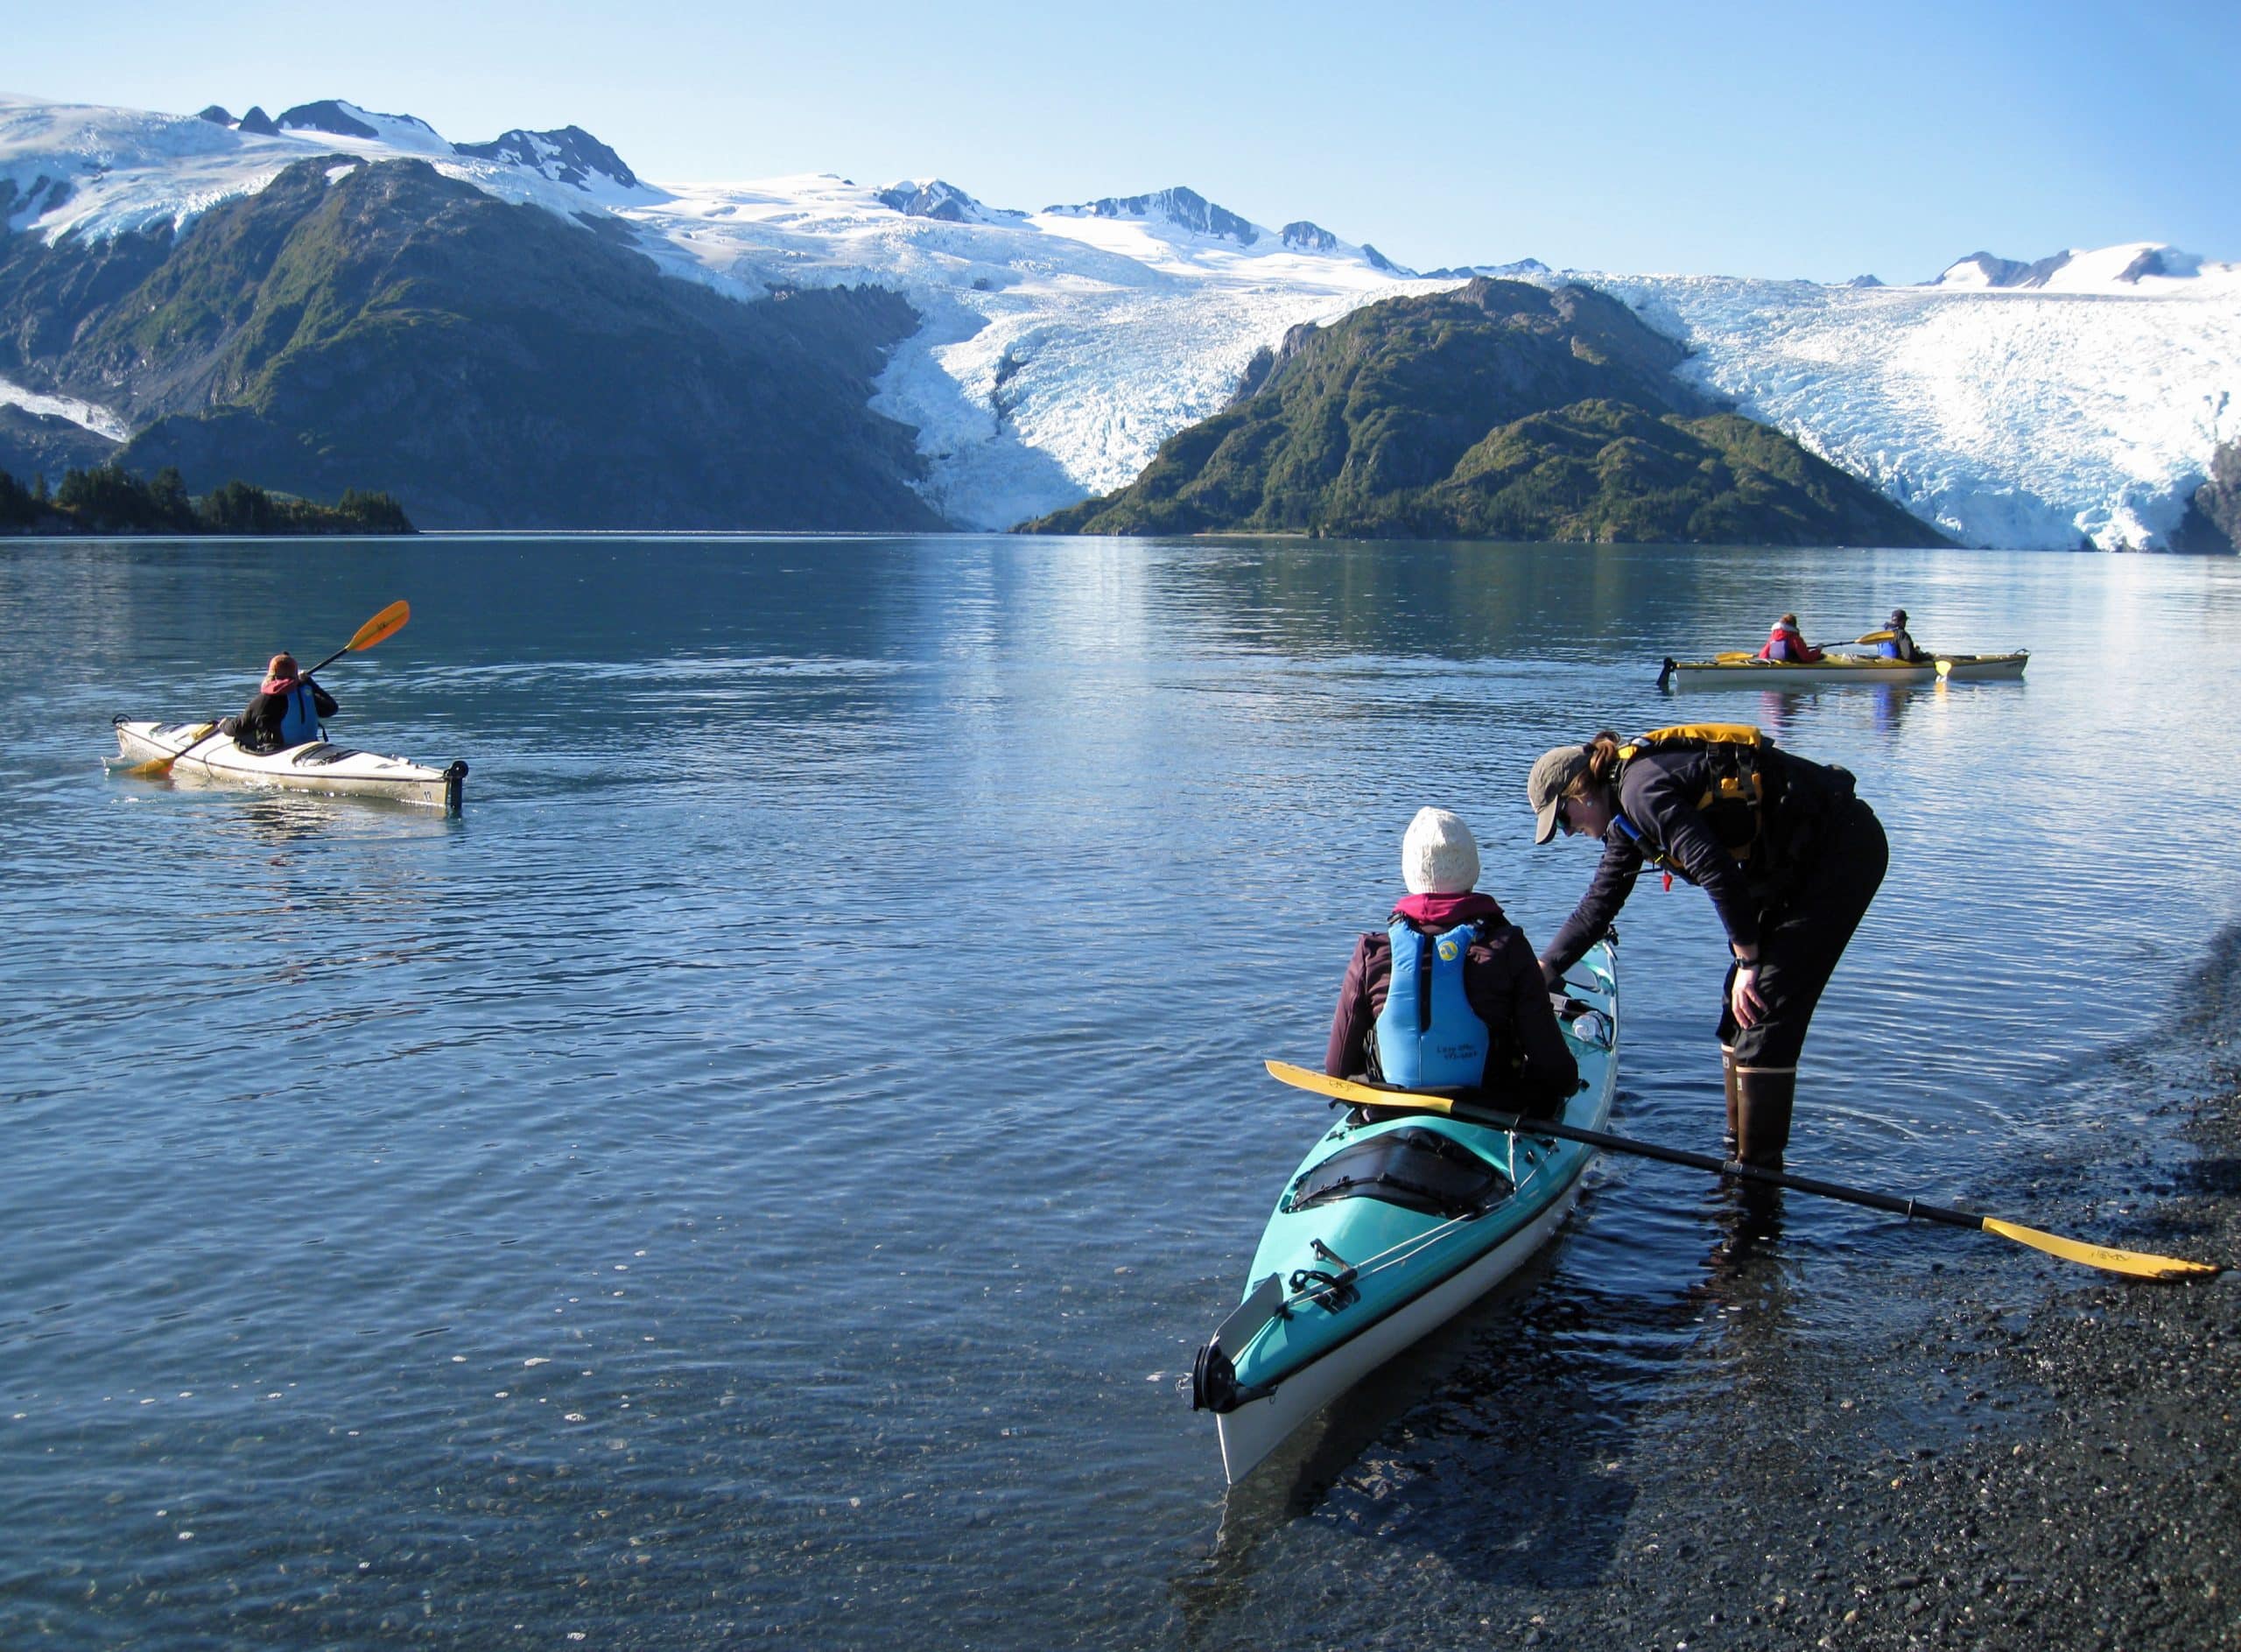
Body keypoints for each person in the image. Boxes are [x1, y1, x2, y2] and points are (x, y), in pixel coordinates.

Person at [1526, 727, 1886, 1168]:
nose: (1568, 832)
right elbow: (1597, 907)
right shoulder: (1625, 812)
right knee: (1737, 1015)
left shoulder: (1641, 792)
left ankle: (1756, 1188)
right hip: (1792, 869)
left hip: (1839, 852)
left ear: (1579, 792)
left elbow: (1716, 870)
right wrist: (1542, 971)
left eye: (1563, 820)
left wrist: (1749, 960)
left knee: (1762, 1012)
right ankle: (1737, 1158)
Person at [1325, 805, 1578, 1117]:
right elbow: (1558, 1075)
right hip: (1489, 1111)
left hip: (1392, 1111)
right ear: (1472, 868)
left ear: (1409, 872)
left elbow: (1337, 1070)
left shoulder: (1372, 952)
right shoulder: (1507, 947)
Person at [232, 652, 337, 754]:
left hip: (279, 752)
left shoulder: (266, 699)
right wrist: (310, 683)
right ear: (296, 675)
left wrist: (223, 725)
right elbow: (332, 708)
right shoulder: (307, 694)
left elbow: (238, 728)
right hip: (310, 746)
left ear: (271, 675)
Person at [1757, 614, 1823, 663]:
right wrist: (1818, 649)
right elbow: (1807, 658)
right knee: (1821, 656)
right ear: (1794, 625)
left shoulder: (1773, 638)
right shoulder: (1795, 639)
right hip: (1792, 662)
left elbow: (1763, 655)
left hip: (1777, 661)